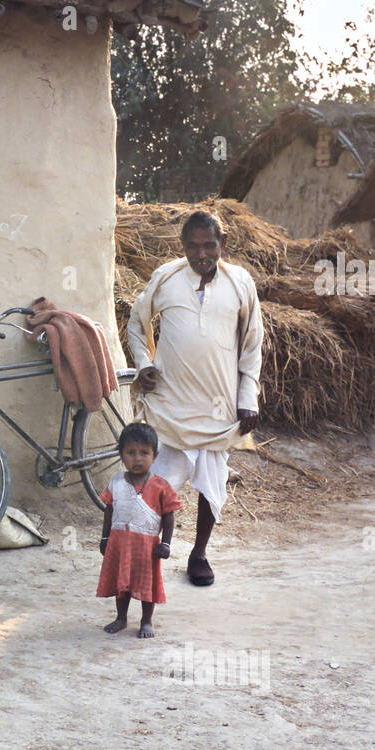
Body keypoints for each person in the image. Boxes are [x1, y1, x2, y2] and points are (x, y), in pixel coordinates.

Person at [126, 211, 263, 587]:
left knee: (211, 485)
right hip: (170, 403)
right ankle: (146, 553)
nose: (201, 254)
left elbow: (252, 343)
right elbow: (137, 323)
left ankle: (199, 554)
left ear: (223, 245)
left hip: (219, 405)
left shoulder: (240, 282)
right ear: (182, 246)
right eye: (193, 246)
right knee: (156, 484)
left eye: (209, 245)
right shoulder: (166, 277)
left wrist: (247, 397)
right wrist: (143, 365)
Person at [97, 422, 181, 639]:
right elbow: (109, 511)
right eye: (131, 453)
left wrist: (166, 543)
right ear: (121, 455)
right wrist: (105, 537)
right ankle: (121, 618)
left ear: (155, 455)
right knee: (120, 583)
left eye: (144, 453)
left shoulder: (161, 486)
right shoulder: (116, 482)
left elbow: (168, 516)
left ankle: (146, 621)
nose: (137, 458)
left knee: (147, 584)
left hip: (147, 547)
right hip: (119, 543)